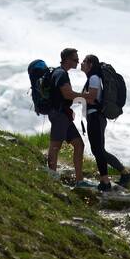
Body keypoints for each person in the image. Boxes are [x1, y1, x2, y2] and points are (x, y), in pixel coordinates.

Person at [80, 54, 130, 193]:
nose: (82, 63)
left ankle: (110, 179)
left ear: (91, 64)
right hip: (96, 117)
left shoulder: (93, 78)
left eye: (85, 61)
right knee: (98, 150)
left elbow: (91, 98)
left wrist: (74, 95)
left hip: (96, 117)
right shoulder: (92, 78)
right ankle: (118, 176)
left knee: (98, 150)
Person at [45, 48, 86, 186]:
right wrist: (85, 97)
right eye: (75, 59)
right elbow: (67, 94)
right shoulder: (60, 74)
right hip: (59, 115)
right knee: (55, 145)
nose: (78, 62)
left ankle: (79, 180)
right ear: (67, 59)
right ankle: (51, 177)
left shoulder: (60, 73)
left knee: (79, 144)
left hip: (63, 115)